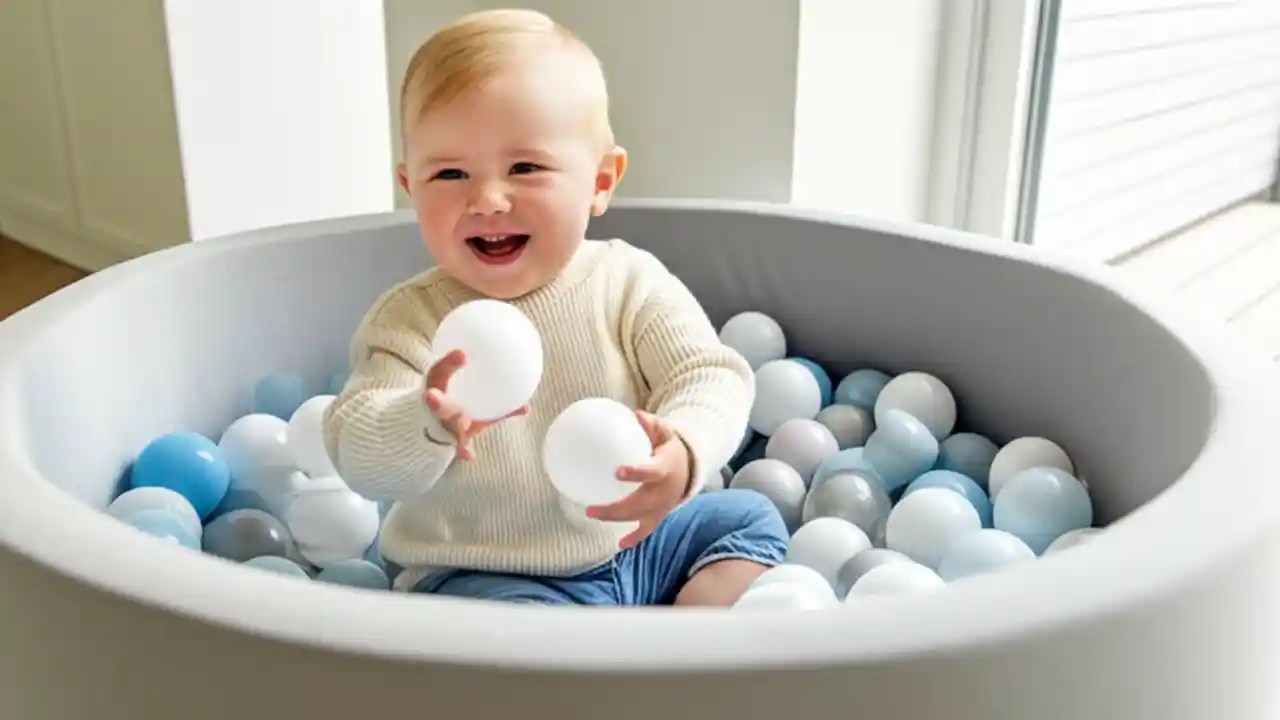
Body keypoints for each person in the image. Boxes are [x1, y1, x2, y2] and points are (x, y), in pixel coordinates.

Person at [321, 8, 787, 606]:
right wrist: (425, 421)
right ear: (411, 188)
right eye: (451, 173)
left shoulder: (626, 281)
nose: (487, 199)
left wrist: (685, 449)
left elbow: (708, 372)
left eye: (525, 168)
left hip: (636, 542)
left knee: (749, 518)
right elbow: (357, 451)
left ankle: (676, 646)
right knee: (524, 641)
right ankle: (620, 669)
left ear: (599, 181)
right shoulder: (411, 321)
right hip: (489, 576)